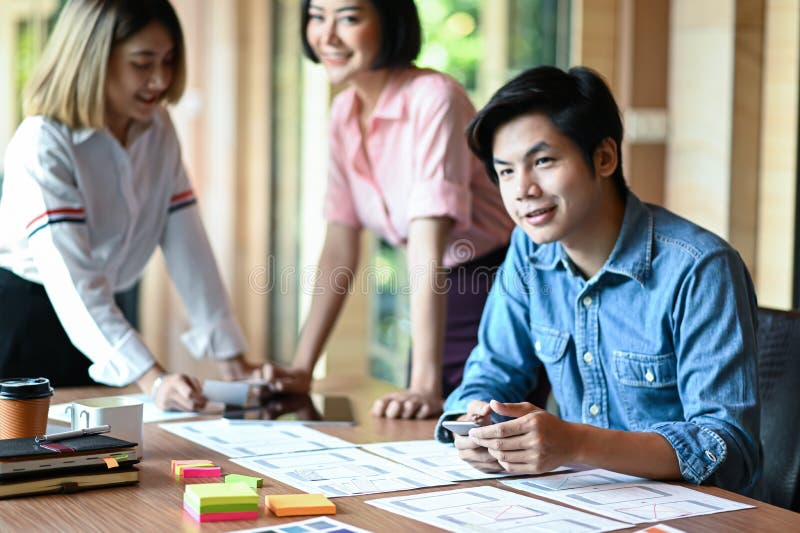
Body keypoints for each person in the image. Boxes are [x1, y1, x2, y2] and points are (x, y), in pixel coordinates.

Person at [435, 65, 762, 495]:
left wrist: (575, 442)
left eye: (543, 161)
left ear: (604, 157)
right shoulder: (528, 251)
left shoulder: (700, 268)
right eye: (506, 171)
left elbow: (727, 448)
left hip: (695, 515)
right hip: (583, 505)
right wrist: (473, 423)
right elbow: (491, 372)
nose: (522, 189)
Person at [0, 0, 262, 411]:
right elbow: (72, 279)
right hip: (25, 325)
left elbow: (188, 244)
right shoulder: (43, 141)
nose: (160, 79)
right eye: (142, 63)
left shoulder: (158, 129)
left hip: (107, 318)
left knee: (108, 461)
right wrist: (152, 378)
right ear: (92, 60)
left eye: (169, 60)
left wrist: (234, 363)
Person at [263, 0, 513, 419]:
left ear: (390, 22)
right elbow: (339, 247)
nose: (327, 35)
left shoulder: (435, 98)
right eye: (317, 16)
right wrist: (303, 368)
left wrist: (423, 384)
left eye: (348, 18)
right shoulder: (344, 111)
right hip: (440, 283)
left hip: (496, 282)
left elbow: (427, 242)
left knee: (475, 427)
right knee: (428, 426)